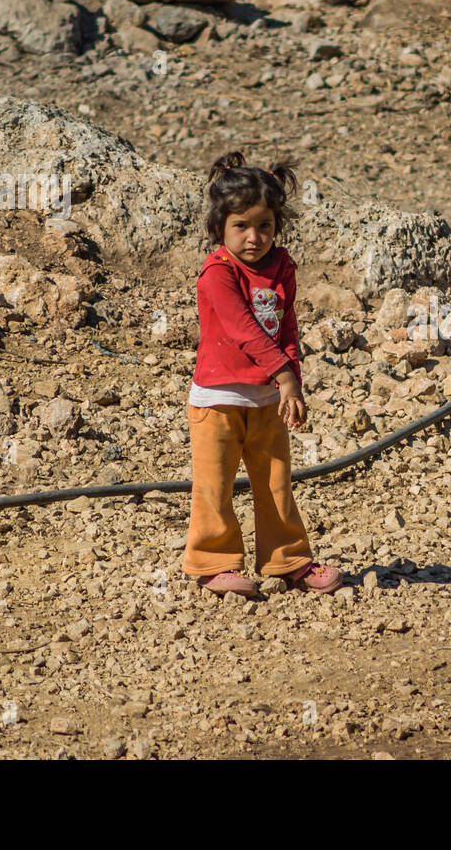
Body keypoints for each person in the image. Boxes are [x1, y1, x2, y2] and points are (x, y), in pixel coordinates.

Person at [182, 151, 343, 598]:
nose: (254, 237)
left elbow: (286, 323)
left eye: (265, 226)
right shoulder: (217, 273)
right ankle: (214, 564)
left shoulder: (282, 267)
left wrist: (292, 380)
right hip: (217, 399)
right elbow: (242, 329)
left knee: (276, 483)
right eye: (241, 226)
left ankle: (288, 560)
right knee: (214, 485)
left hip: (267, 399)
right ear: (221, 228)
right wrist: (284, 373)